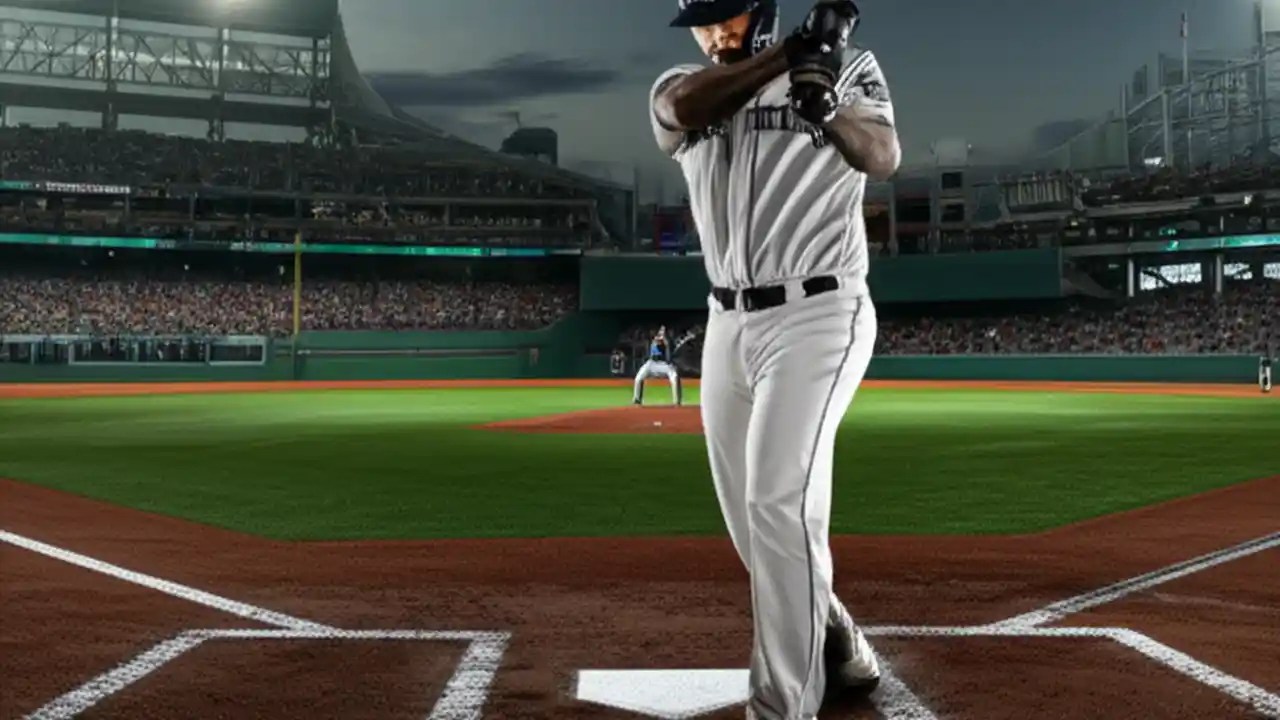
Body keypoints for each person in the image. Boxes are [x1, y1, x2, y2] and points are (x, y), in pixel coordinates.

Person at [651, 1, 900, 717]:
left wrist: (825, 107)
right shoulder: (683, 84)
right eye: (699, 24)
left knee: (776, 502)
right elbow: (679, 109)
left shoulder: (850, 67)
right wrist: (793, 56)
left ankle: (781, 706)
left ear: (758, 8)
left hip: (820, 312)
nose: (711, 34)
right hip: (726, 324)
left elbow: (882, 157)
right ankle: (836, 631)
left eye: (723, 16)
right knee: (749, 523)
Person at [632, 326, 683, 405]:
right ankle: (637, 399)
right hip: (651, 363)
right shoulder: (651, 340)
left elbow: (669, 357)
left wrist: (666, 344)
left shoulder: (668, 342)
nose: (660, 334)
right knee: (638, 378)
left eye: (663, 332)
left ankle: (677, 401)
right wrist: (655, 340)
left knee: (675, 377)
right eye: (659, 332)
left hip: (665, 364)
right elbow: (646, 345)